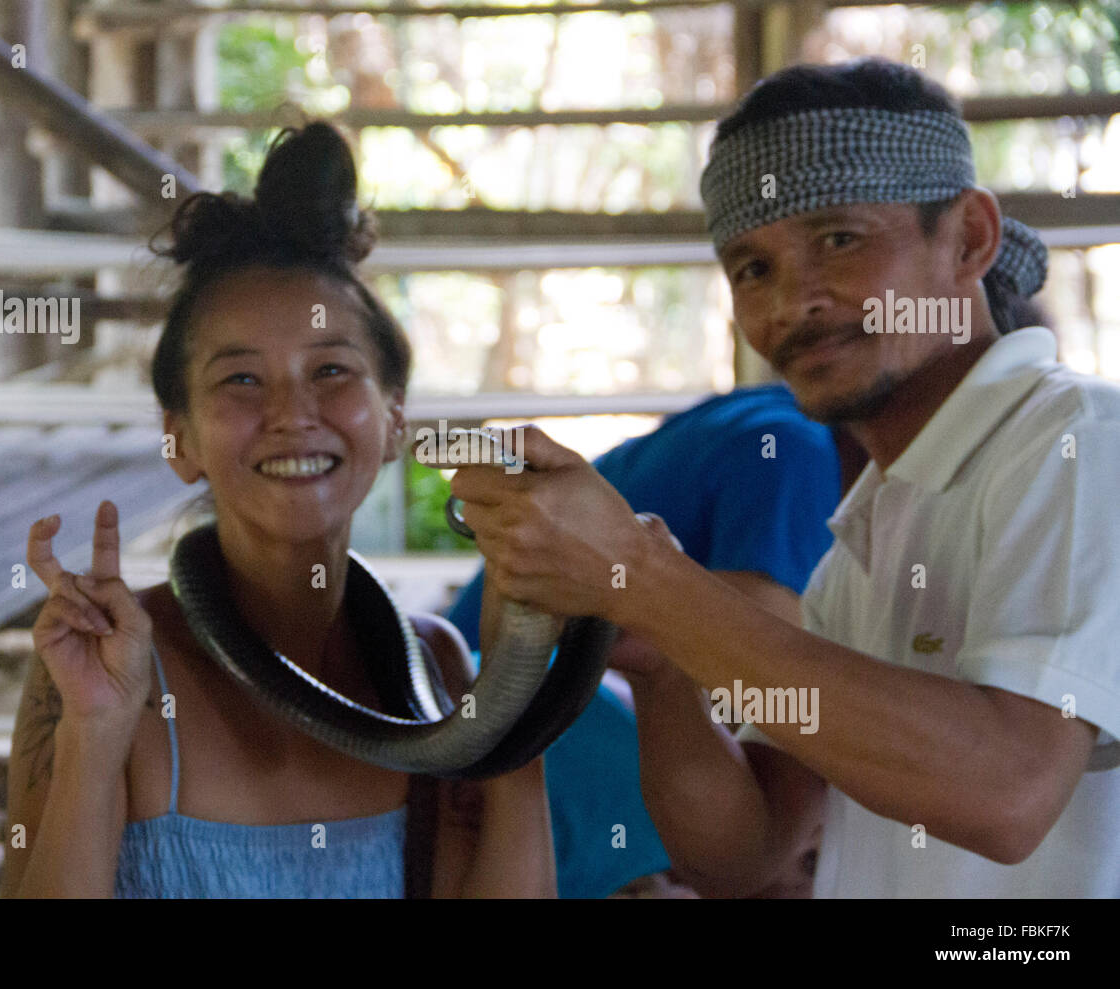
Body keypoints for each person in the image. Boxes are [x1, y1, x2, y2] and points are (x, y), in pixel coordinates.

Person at [448, 58, 1120, 897]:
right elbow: (743, 852)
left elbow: (1009, 791)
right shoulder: (866, 535)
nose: (790, 303)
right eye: (750, 269)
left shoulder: (1080, 442)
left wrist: (648, 576)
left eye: (838, 239)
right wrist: (659, 666)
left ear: (969, 241)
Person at [0, 122, 555, 898]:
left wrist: (513, 704)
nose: (294, 411)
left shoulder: (435, 677)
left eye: (331, 369)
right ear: (180, 437)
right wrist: (95, 735)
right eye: (241, 381)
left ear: (393, 417)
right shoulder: (108, 665)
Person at [445, 383, 849, 897]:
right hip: (522, 719)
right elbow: (762, 683)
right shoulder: (795, 449)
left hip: (493, 708)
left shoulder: (745, 420)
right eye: (812, 866)